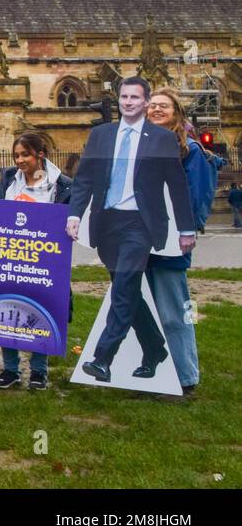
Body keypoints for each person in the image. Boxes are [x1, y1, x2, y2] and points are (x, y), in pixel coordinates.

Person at [68, 77, 195, 384]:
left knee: (124, 288)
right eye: (123, 97)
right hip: (106, 222)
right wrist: (74, 214)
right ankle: (154, 349)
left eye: (134, 98)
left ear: (145, 102)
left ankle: (102, 358)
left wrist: (186, 229)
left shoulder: (160, 139)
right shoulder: (101, 134)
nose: (127, 102)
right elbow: (84, 178)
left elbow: (177, 186)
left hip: (139, 224)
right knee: (129, 293)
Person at [0, 132, 72, 390]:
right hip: (9, 257)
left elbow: (69, 219)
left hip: (42, 259)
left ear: (40, 155)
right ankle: (10, 369)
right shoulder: (9, 181)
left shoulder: (62, 185)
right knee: (9, 310)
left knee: (39, 309)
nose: (20, 160)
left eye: (25, 155)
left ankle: (39, 371)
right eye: (17, 156)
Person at [144, 88, 218, 393]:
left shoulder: (189, 150)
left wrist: (188, 231)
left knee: (175, 312)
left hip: (170, 244)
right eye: (152, 106)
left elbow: (198, 198)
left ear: (177, 113)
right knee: (144, 311)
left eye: (164, 106)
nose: (157, 110)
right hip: (137, 242)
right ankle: (149, 373)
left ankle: (185, 378)